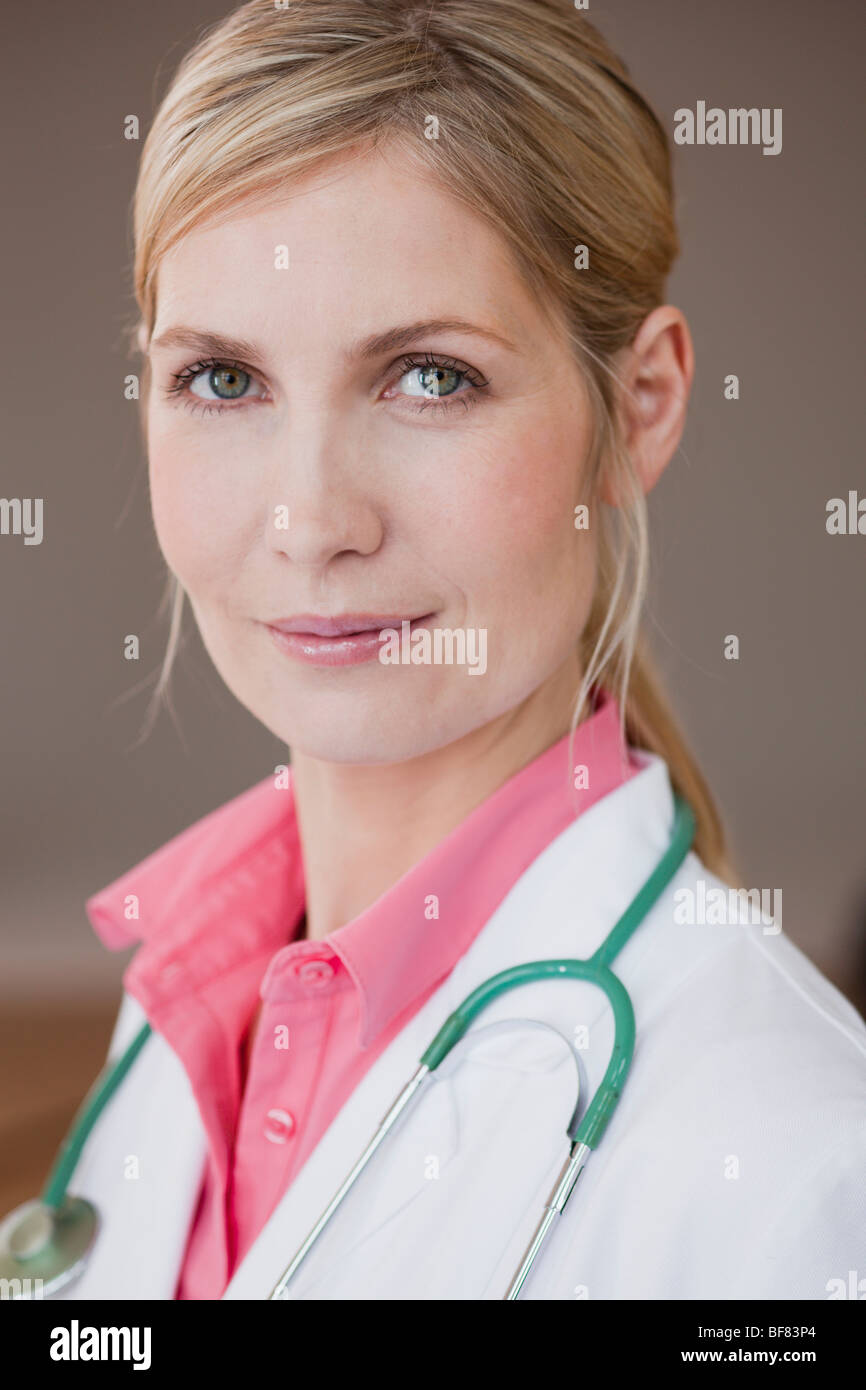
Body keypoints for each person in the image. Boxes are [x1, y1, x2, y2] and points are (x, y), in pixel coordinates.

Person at [53, 0, 866, 1299]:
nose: (312, 521)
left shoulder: (800, 1171)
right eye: (222, 380)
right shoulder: (176, 1023)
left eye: (428, 377)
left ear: (638, 406)